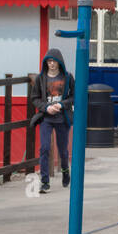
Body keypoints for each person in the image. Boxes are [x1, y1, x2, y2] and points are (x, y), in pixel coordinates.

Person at [33, 48, 74, 192]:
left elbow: (74, 96)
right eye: (49, 61)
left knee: (63, 150)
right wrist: (46, 108)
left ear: (59, 62)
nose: (51, 64)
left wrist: (61, 104)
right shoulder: (40, 78)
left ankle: (65, 172)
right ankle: (45, 181)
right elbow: (35, 98)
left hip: (62, 118)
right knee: (44, 148)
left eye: (54, 61)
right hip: (46, 118)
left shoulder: (68, 77)